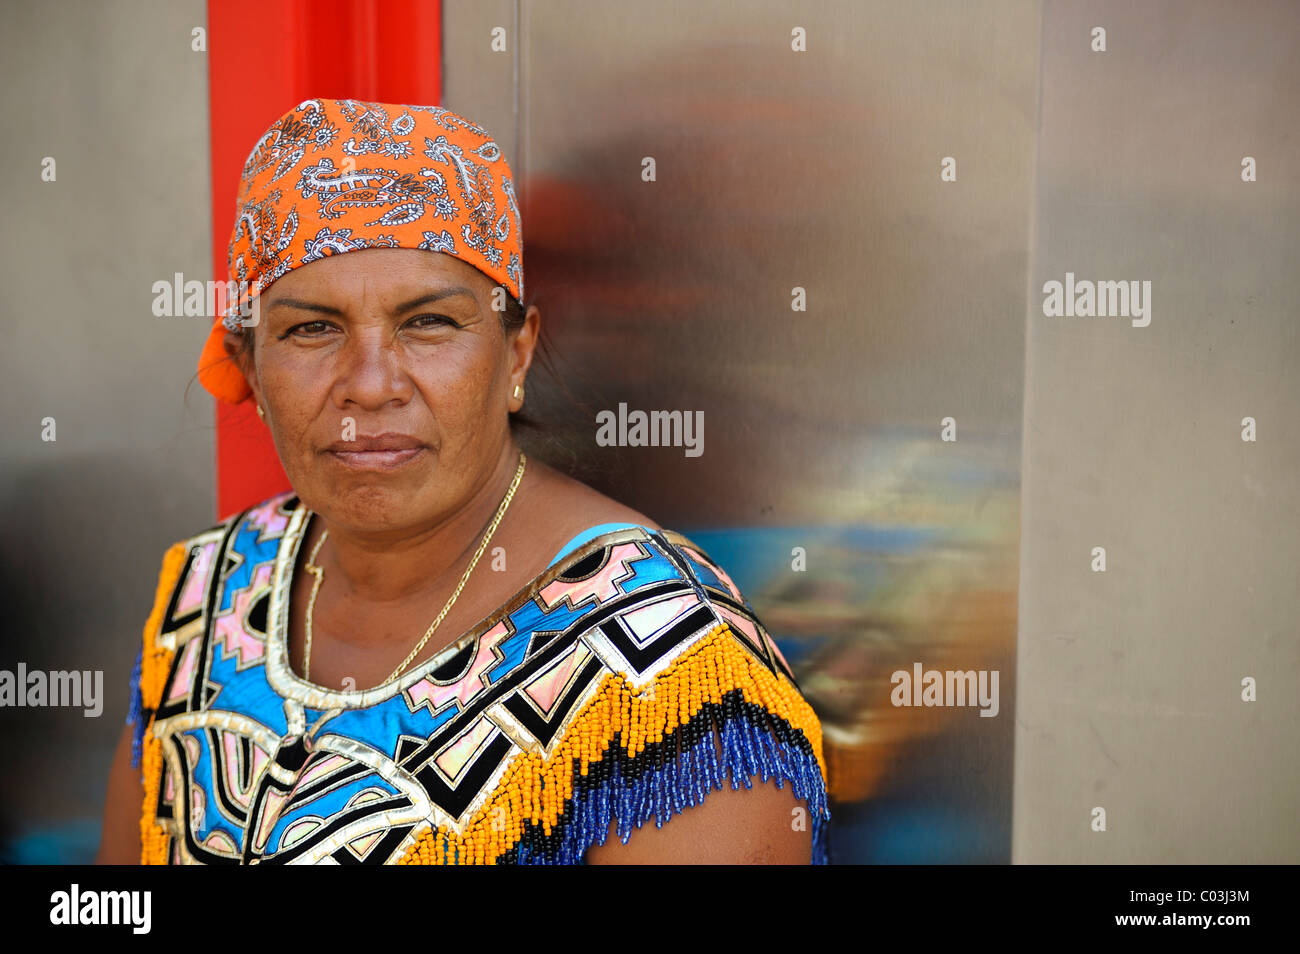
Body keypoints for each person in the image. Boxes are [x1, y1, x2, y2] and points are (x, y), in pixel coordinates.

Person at [95, 97, 829, 864]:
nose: (371, 384)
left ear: (515, 356)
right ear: (249, 363)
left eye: (429, 323)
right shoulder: (208, 592)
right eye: (311, 328)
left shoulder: (668, 681)